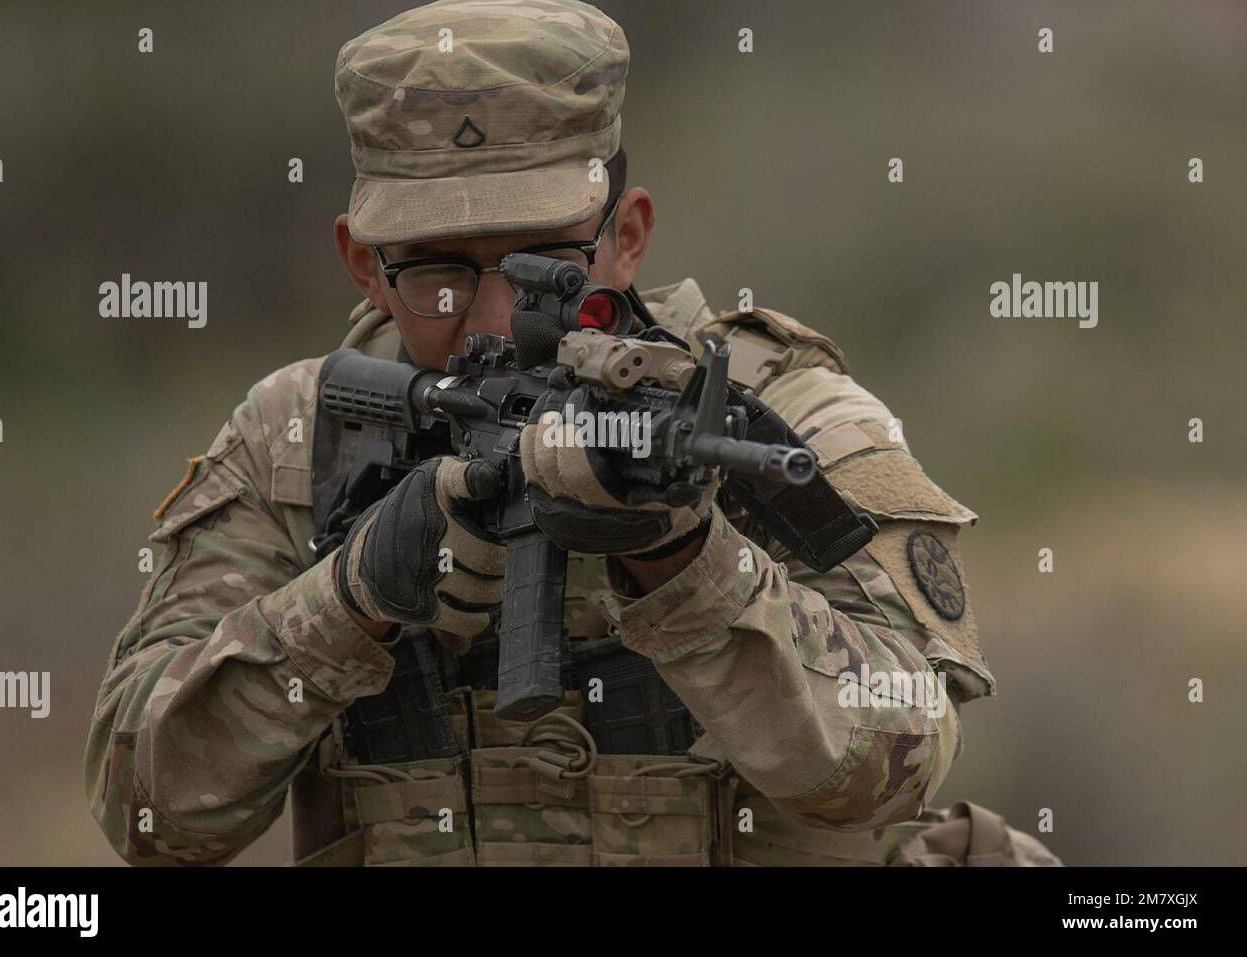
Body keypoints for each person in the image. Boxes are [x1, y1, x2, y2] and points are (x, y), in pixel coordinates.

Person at [86, 0, 1050, 867]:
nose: (497, 321)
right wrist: (350, 598)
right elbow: (149, 818)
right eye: (437, 274)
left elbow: (899, 760)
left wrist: (687, 564)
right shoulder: (299, 441)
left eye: (544, 265)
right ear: (362, 264)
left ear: (626, 234)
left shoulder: (783, 418)